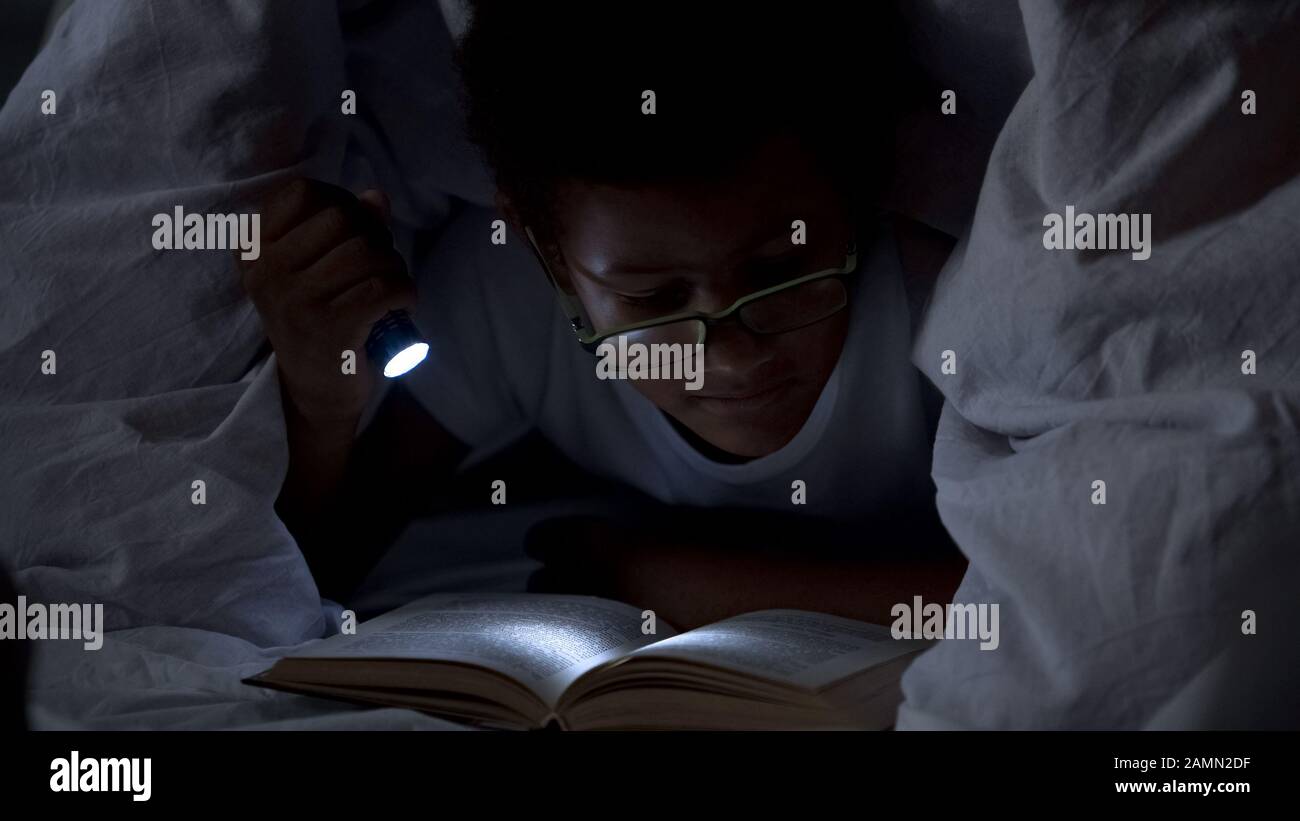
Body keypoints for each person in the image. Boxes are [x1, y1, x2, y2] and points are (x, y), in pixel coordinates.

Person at [240, 2, 965, 630]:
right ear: (545, 252)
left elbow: (1035, 592)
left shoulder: (944, 288)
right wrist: (320, 406)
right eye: (653, 300)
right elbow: (313, 563)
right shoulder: (510, 293)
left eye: (782, 271)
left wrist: (657, 575)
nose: (732, 355)